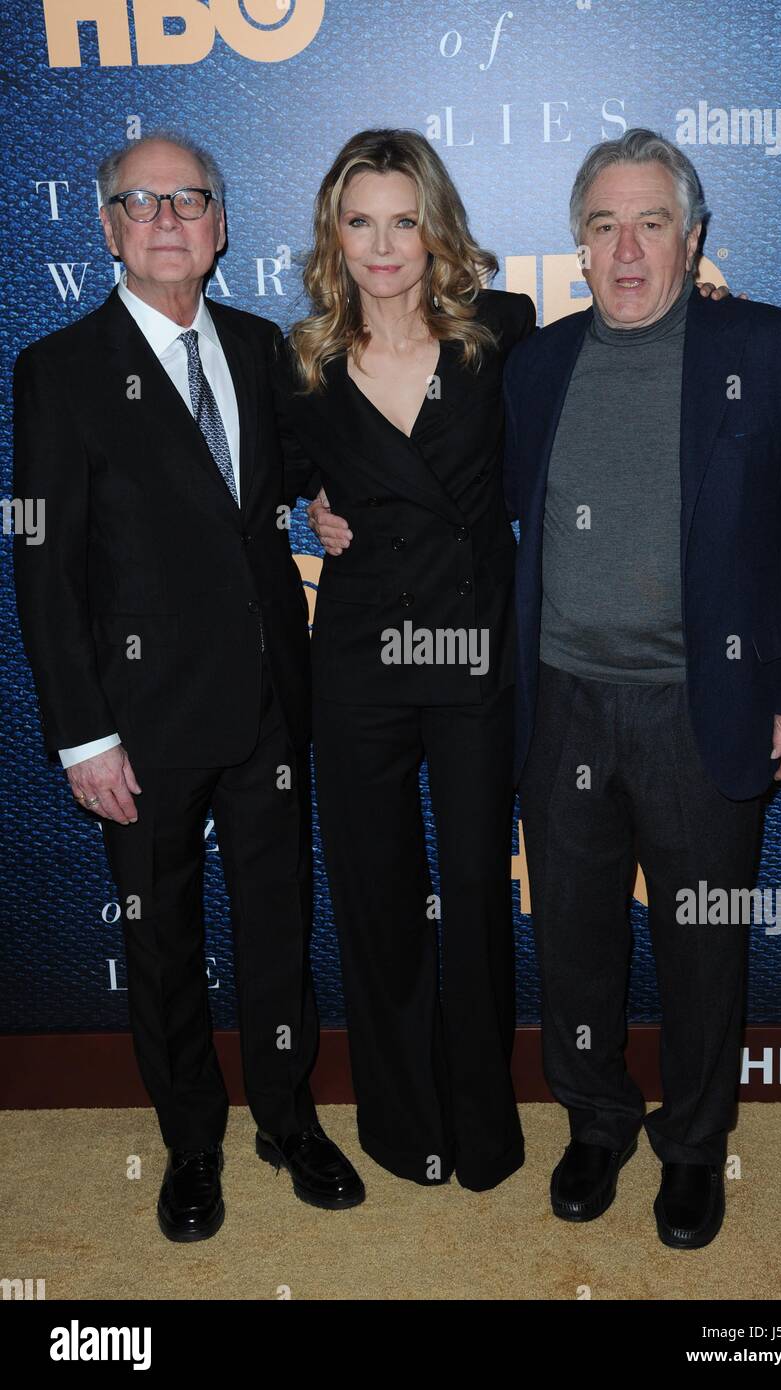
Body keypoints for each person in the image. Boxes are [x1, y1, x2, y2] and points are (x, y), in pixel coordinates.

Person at [503, 128, 781, 1248]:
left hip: (707, 703)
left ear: (693, 234)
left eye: (650, 221)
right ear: (579, 242)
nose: (625, 248)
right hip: (562, 698)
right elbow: (470, 513)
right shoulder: (537, 365)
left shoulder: (774, 349)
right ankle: (597, 1121)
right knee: (571, 935)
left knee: (704, 944)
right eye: (602, 224)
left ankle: (694, 1145)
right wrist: (339, 516)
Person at [13, 131, 363, 1243]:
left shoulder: (265, 349)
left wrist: (323, 507)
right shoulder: (59, 371)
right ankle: (191, 1141)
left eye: (190, 200)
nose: (168, 218)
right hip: (138, 724)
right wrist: (82, 739)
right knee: (160, 942)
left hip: (267, 704)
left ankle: (285, 1116)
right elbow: (45, 570)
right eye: (142, 201)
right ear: (109, 227)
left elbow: (299, 477)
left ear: (219, 228)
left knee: (276, 928)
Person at [279, 128, 537, 1191]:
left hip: (473, 655)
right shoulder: (302, 364)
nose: (383, 246)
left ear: (434, 229)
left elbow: (603, 377)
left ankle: (482, 1129)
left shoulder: (503, 335)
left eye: (402, 219)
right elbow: (279, 481)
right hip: (358, 664)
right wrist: (316, 505)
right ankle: (401, 1122)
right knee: (378, 895)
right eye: (360, 221)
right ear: (335, 237)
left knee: (475, 891)